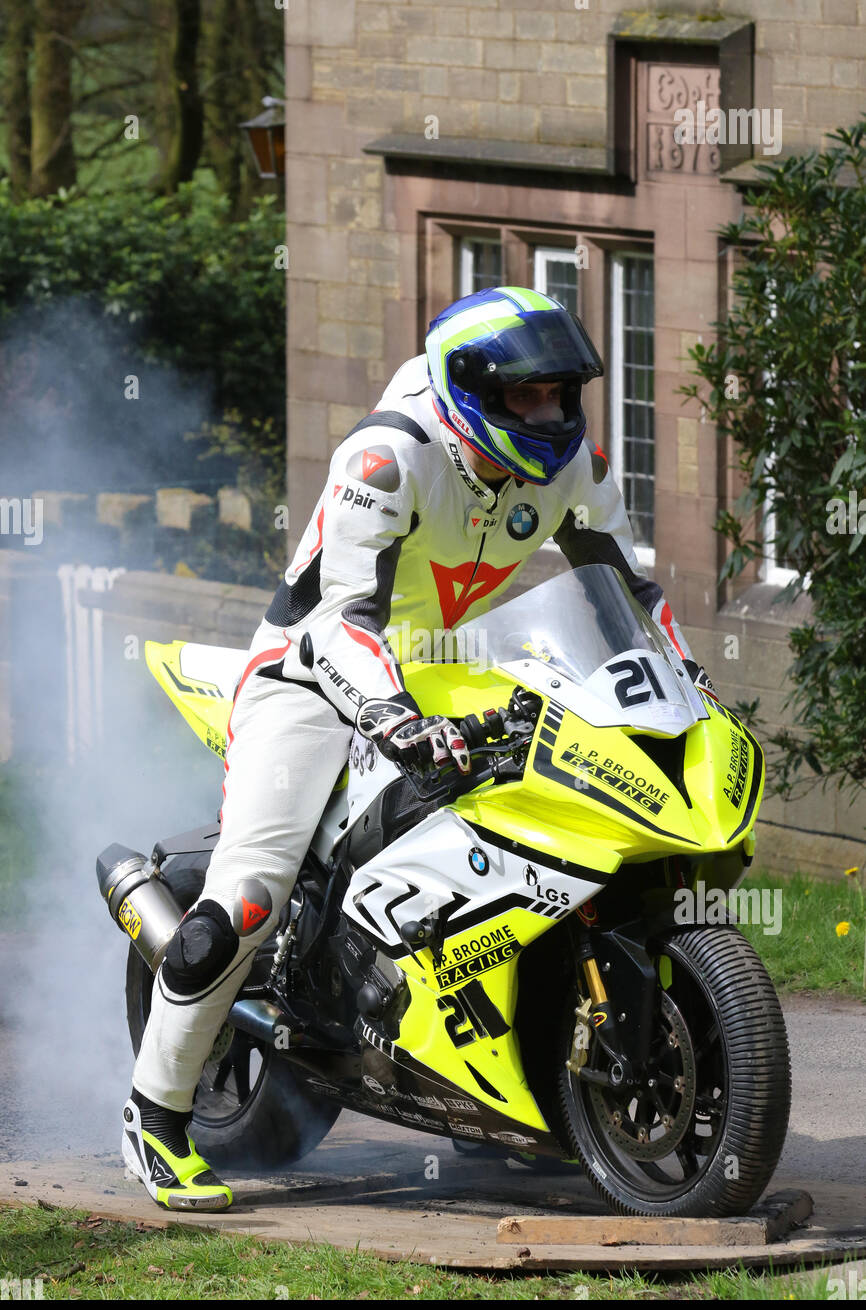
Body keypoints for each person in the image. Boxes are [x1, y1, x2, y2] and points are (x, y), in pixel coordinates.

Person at [121, 285, 713, 1210]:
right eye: (528, 399)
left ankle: (531, 1082)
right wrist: (397, 720)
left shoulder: (572, 463)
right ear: (472, 388)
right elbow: (339, 622)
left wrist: (686, 681)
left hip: (463, 665)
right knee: (245, 896)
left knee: (549, 847)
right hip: (313, 673)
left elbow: (628, 587)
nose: (549, 415)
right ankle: (154, 1120)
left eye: (561, 395)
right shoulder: (387, 458)